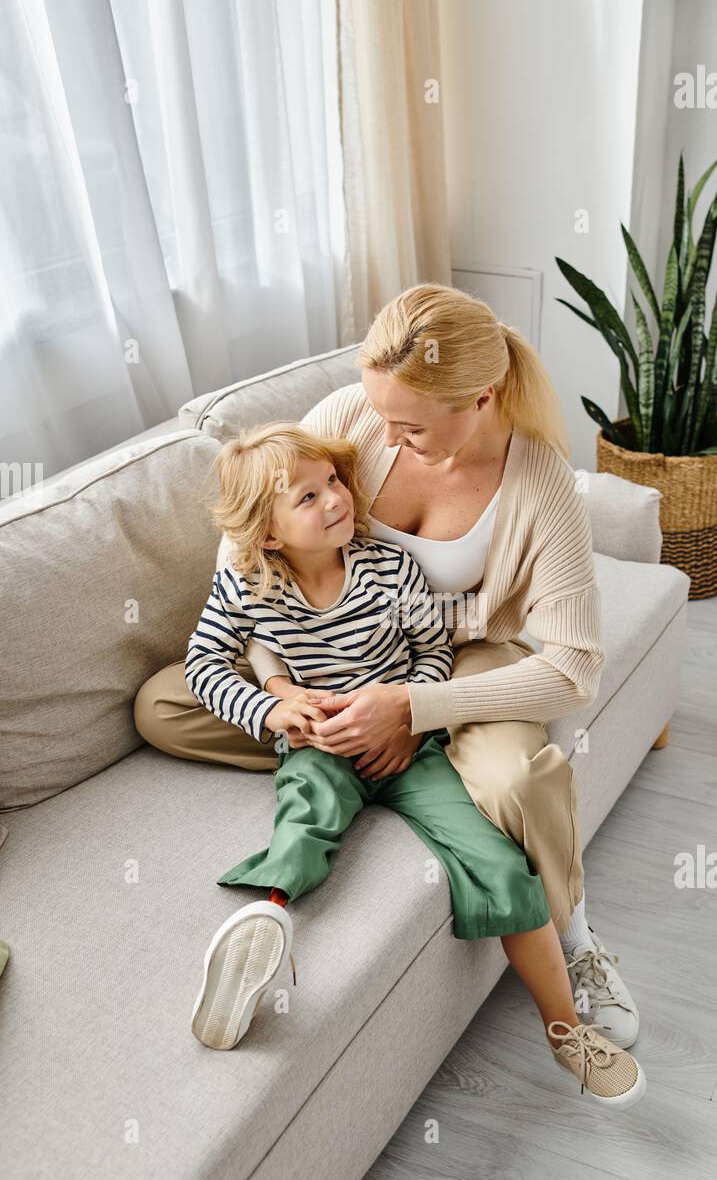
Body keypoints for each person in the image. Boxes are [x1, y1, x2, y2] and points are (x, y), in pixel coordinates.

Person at [135, 280, 640, 1052]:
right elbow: (250, 545)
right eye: (380, 414)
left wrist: (409, 710)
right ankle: (353, 765)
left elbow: (574, 670)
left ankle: (578, 941)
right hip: (312, 655)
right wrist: (277, 688)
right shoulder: (352, 413)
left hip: (454, 652)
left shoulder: (540, 483)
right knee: (161, 704)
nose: (383, 438)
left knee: (515, 780)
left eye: (409, 427)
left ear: (480, 398)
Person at [182, 422, 644, 1108]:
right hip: (323, 750)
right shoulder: (248, 588)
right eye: (308, 498)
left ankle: (566, 1030)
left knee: (493, 859)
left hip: (411, 749)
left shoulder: (388, 569)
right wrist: (272, 711)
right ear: (270, 534)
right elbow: (201, 664)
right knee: (306, 818)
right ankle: (268, 921)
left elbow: (433, 651)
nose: (337, 499)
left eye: (333, 482)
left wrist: (409, 711)